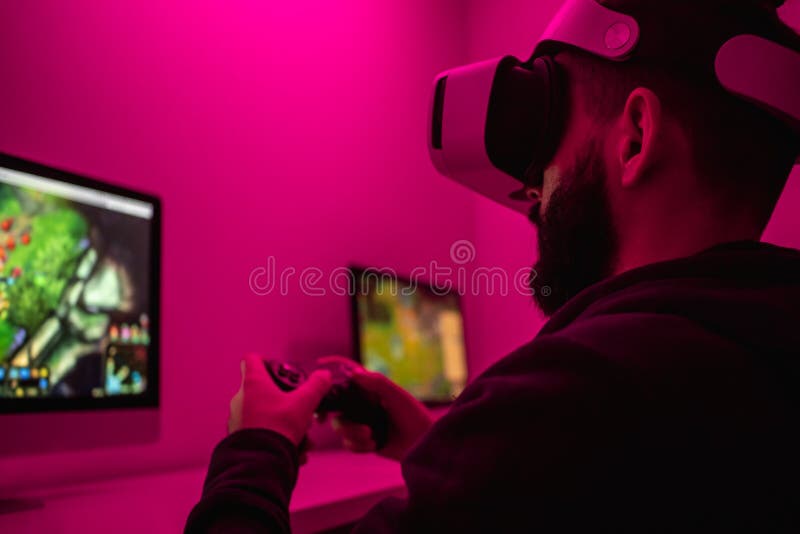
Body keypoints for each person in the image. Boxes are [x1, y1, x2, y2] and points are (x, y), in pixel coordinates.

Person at [186, 1, 800, 531]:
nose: (536, 191)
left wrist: (254, 447)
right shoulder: (756, 354)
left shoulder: (575, 397)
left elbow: (560, 455)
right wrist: (442, 447)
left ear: (636, 137)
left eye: (554, 142)